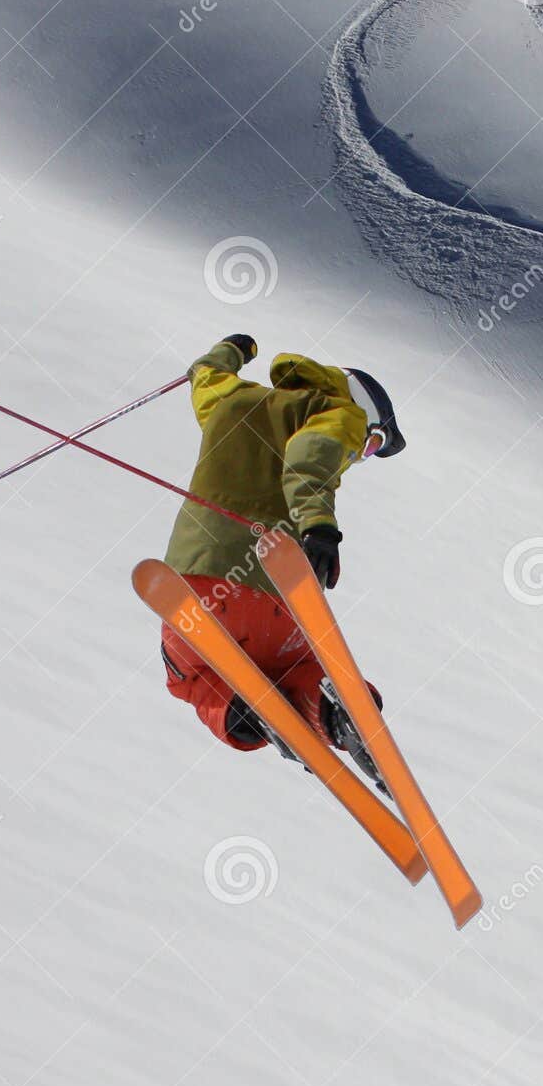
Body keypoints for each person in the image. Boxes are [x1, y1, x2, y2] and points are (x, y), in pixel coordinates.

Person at [159, 334, 405, 781]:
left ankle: (243, 712)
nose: (360, 455)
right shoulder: (338, 412)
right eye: (370, 445)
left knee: (188, 675)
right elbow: (308, 461)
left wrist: (234, 349)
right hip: (268, 593)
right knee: (298, 667)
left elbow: (204, 376)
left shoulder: (233, 398)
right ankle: (335, 713)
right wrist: (319, 527)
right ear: (359, 409)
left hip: (191, 590)